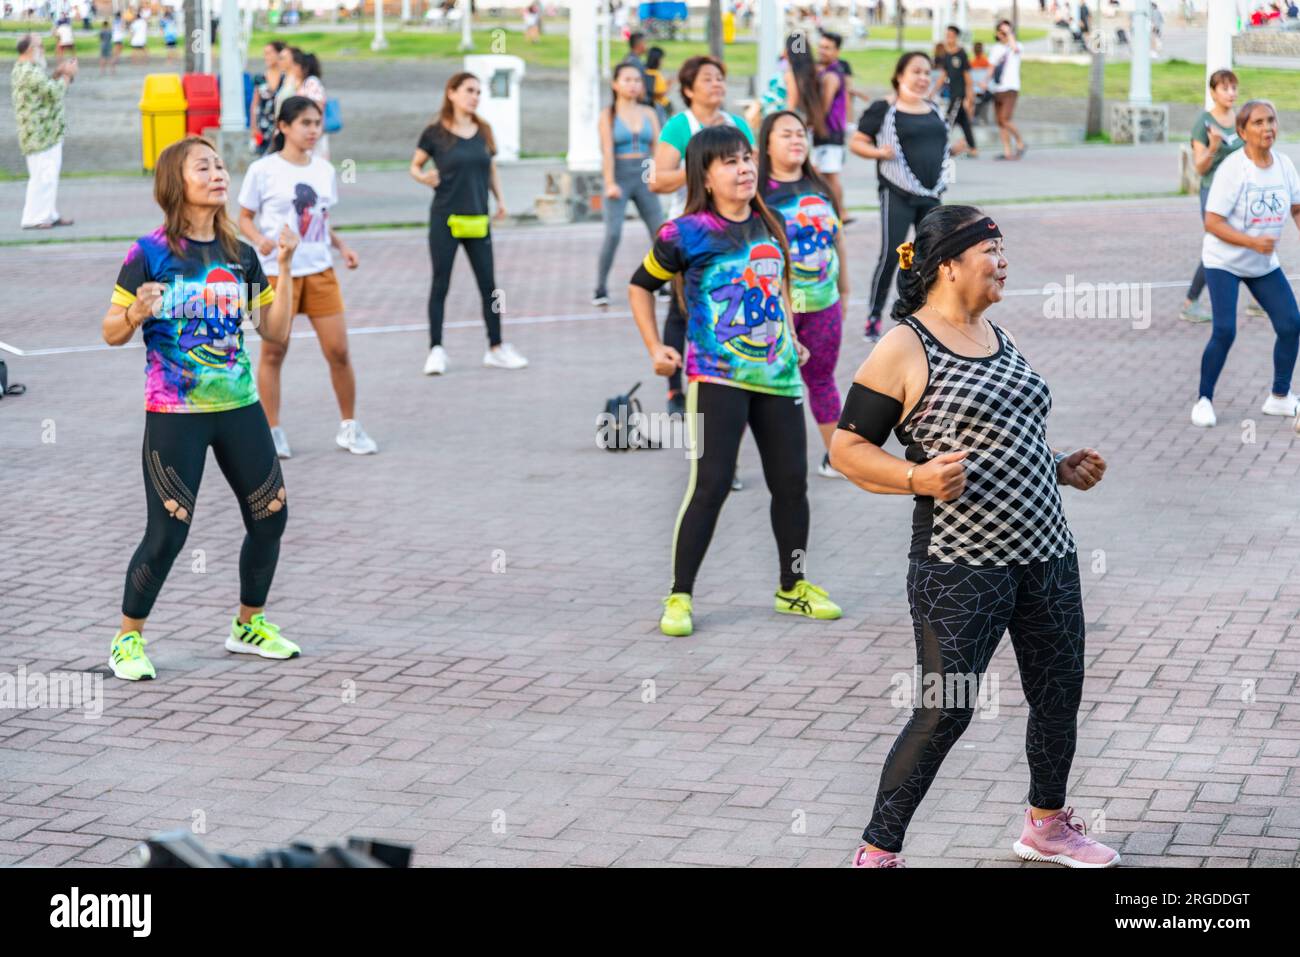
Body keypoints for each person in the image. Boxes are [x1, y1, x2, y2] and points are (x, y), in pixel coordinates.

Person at [830, 204, 1117, 869]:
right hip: (961, 567)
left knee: (1058, 693)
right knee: (945, 709)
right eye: (992, 249)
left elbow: (1007, 438)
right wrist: (915, 476)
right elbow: (847, 448)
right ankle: (877, 850)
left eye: (1004, 248)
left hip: (1046, 552)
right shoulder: (906, 345)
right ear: (949, 264)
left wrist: (1059, 466)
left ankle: (1047, 825)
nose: (1003, 260)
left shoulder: (997, 332)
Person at [628, 125, 842, 638]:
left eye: (747, 158)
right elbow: (640, 286)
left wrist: (791, 335)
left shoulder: (771, 221)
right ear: (705, 173)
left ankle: (793, 588)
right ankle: (679, 596)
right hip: (717, 377)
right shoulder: (684, 233)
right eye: (730, 162)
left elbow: (779, 287)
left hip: (780, 379)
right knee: (712, 484)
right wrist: (656, 348)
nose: (745, 168)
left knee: (791, 483)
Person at [101, 134, 302, 681]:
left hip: (239, 405)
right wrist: (136, 313)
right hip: (174, 413)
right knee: (168, 533)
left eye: (219, 165)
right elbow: (110, 332)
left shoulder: (240, 254)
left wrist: (284, 265)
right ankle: (127, 640)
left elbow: (275, 331)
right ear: (176, 183)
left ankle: (248, 624)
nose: (218, 173)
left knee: (271, 515)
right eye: (203, 167)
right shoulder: (148, 253)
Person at [239, 96, 378, 459]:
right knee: (273, 352)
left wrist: (341, 247)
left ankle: (350, 426)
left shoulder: (324, 171)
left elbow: (319, 220)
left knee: (339, 351)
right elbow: (242, 218)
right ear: (283, 127)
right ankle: (271, 430)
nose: (313, 130)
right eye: (305, 123)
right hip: (273, 274)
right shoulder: (263, 170)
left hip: (319, 270)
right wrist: (259, 240)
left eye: (317, 123)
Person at [651, 55, 755, 414]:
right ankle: (674, 390)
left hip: (735, 229)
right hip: (694, 230)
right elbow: (657, 180)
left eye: (720, 78)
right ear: (688, 89)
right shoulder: (680, 126)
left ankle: (734, 373)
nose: (717, 85)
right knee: (683, 308)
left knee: (730, 302)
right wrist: (702, 168)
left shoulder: (736, 123)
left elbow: (752, 172)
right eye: (708, 79)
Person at [410, 72, 528, 375]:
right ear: (451, 93)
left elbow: (490, 169)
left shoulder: (484, 130)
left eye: (478, 92)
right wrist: (424, 177)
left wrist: (500, 200)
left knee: (489, 286)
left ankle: (497, 347)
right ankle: (436, 350)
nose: (474, 96)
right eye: (469, 90)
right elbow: (415, 166)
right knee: (441, 283)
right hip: (445, 218)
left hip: (478, 218)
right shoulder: (435, 133)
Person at [1191, 100, 1300, 429]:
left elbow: (1296, 208)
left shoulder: (1284, 165)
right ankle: (1204, 400)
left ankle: (1279, 397)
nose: (1267, 128)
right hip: (1223, 261)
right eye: (1258, 123)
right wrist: (1253, 241)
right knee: (1225, 330)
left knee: (1291, 324)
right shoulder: (1233, 169)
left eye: (1271, 121)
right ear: (1242, 131)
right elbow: (1212, 221)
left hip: (1262, 263)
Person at [759, 110, 849, 479]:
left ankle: (839, 457)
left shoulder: (821, 188)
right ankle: (722, 464)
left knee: (822, 379)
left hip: (823, 304)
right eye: (785, 134)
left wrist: (844, 290)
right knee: (758, 387)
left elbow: (837, 238)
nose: (796, 140)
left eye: (800, 133)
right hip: (772, 309)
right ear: (765, 145)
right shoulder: (759, 195)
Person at [850, 51, 950, 341]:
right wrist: (878, 153)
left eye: (926, 72)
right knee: (892, 253)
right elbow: (857, 142)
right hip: (896, 193)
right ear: (900, 76)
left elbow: (937, 147)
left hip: (930, 194)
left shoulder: (934, 109)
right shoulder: (883, 108)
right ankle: (874, 315)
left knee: (932, 255)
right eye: (915, 72)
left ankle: (926, 313)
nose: (922, 78)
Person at [595, 63, 663, 306]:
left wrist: (656, 175)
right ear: (615, 84)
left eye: (637, 80)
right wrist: (610, 182)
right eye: (627, 80)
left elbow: (657, 147)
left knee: (660, 232)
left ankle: (660, 282)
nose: (633, 85)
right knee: (613, 233)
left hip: (645, 174)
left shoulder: (649, 113)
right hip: (621, 176)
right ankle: (600, 287)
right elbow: (607, 151)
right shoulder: (608, 115)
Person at [1180, 70, 1241, 323]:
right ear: (1213, 92)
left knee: (1251, 238)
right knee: (1217, 244)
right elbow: (1199, 167)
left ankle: (1262, 299)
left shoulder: (1241, 119)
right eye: (1225, 88)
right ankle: (1190, 302)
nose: (1231, 93)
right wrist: (1214, 146)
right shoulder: (1204, 123)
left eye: (1234, 88)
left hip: (1239, 191)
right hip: (1213, 191)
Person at [12, 33, 75, 230]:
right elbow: (54, 92)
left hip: (45, 132)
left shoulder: (28, 69)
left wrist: (58, 73)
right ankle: (35, 217)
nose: (43, 50)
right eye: (40, 46)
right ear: (30, 49)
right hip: (39, 134)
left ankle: (48, 214)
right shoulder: (28, 72)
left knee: (48, 175)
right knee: (43, 176)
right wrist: (67, 75)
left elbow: (45, 87)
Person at [814, 30, 852, 212]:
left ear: (837, 51)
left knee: (830, 175)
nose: (822, 51)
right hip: (830, 130)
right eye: (821, 47)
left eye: (827, 48)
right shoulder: (830, 71)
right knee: (825, 174)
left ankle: (840, 212)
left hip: (829, 131)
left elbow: (824, 106)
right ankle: (837, 211)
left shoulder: (831, 75)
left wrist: (811, 124)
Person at [933, 25, 977, 158]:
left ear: (956, 37)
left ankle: (940, 148)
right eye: (947, 36)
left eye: (951, 36)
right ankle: (973, 148)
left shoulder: (961, 54)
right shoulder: (946, 55)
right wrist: (933, 91)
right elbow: (943, 75)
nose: (948, 39)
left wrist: (970, 95)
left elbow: (967, 76)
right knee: (964, 123)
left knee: (948, 121)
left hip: (960, 94)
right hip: (952, 93)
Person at [989, 20, 1026, 161]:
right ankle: (1007, 151)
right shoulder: (995, 49)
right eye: (1002, 32)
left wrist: (1009, 34)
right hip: (997, 88)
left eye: (1007, 31)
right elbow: (991, 67)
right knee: (1000, 122)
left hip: (1011, 88)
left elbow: (1015, 48)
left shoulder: (1017, 47)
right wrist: (985, 82)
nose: (1004, 34)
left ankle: (1020, 142)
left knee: (1005, 119)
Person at [284, 48, 328, 160]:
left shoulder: (311, 82)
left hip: (312, 130)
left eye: (295, 65)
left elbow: (318, 107)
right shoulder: (302, 83)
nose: (293, 68)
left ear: (303, 67)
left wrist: (316, 127)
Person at [250, 41, 286, 156]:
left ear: (279, 54)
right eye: (265, 54)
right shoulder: (259, 78)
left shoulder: (287, 77)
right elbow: (255, 104)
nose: (267, 57)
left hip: (281, 124)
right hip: (263, 125)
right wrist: (254, 126)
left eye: (270, 53)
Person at [622, 31, 654, 108]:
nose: (647, 46)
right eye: (645, 43)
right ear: (640, 45)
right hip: (638, 103)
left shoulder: (630, 59)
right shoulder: (634, 63)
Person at [644, 45, 673, 124]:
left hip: (663, 106)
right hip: (660, 107)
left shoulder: (651, 72)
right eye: (662, 59)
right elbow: (657, 93)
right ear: (657, 60)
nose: (662, 61)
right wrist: (669, 86)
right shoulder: (652, 74)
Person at [969, 41, 992, 125]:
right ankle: (978, 116)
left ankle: (973, 116)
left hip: (975, 88)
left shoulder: (971, 62)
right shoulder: (986, 62)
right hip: (982, 88)